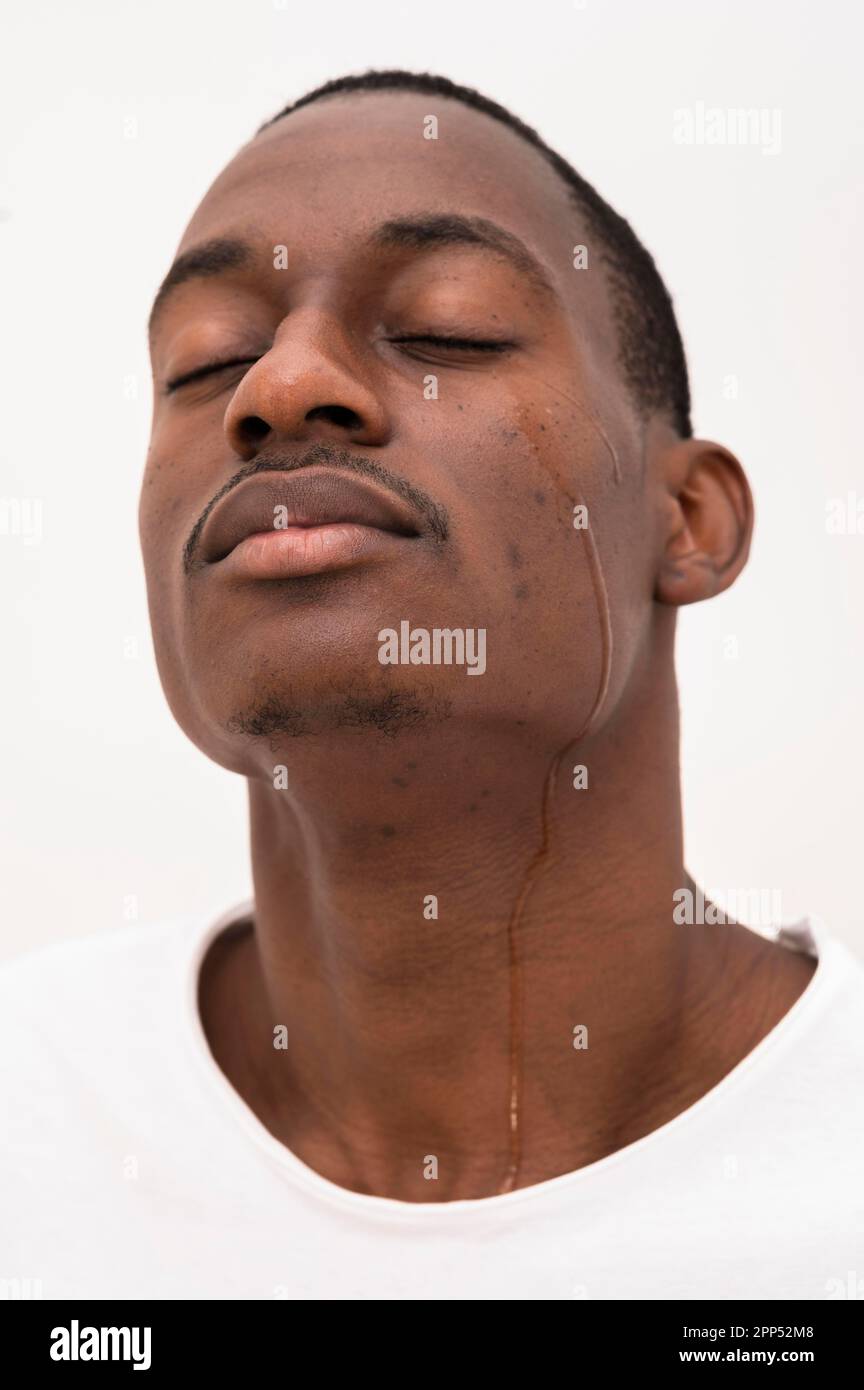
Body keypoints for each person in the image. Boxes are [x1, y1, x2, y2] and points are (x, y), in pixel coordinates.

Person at [3, 70, 862, 1302]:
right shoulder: (25, 1123)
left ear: (687, 519)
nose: (279, 387)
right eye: (208, 360)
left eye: (447, 328)